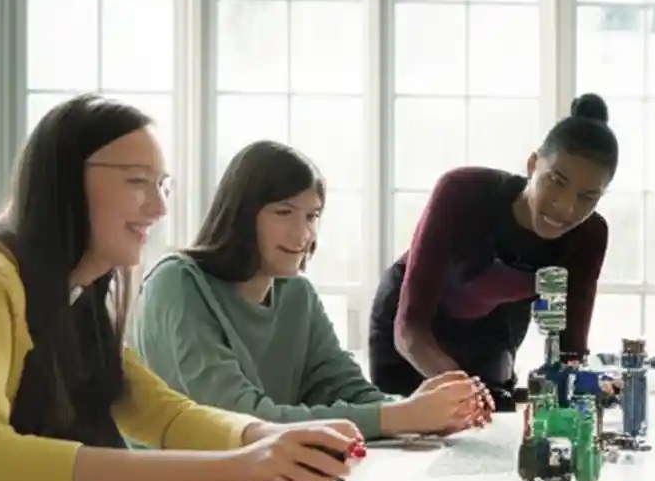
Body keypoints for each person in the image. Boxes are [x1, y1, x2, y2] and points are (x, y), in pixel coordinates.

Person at [0, 95, 361, 481]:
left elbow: (161, 413)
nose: (158, 208)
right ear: (63, 180)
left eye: (162, 185)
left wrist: (271, 437)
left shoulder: (76, 299)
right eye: (137, 181)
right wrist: (238, 466)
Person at [133, 140, 489, 441]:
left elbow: (347, 389)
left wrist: (428, 410)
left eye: (312, 216)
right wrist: (403, 416)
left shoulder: (297, 294)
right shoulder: (177, 284)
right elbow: (237, 420)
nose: (303, 235)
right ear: (241, 213)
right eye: (284, 212)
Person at [369, 94, 615, 411]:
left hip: (492, 326)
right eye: (556, 181)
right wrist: (466, 393)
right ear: (532, 165)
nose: (566, 207)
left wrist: (580, 394)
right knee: (415, 426)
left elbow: (570, 349)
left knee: (492, 424)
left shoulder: (590, 235)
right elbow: (410, 330)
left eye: (587, 197)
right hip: (412, 324)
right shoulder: (462, 190)